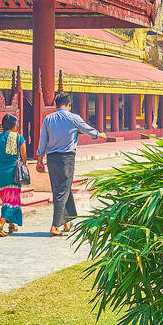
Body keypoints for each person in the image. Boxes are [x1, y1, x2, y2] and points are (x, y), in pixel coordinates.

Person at [36, 91, 101, 236]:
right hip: (66, 158)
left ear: (56, 105)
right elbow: (88, 130)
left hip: (52, 158)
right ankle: (55, 225)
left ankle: (67, 221)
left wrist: (39, 160)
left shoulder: (48, 119)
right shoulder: (73, 118)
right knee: (62, 189)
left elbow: (43, 141)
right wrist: (99, 134)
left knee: (61, 188)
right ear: (69, 105)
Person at [0, 113, 27, 237]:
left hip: (1, 173)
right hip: (13, 173)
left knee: (8, 198)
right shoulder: (19, 138)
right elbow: (24, 156)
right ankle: (0, 225)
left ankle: (11, 225)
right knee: (11, 200)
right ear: (14, 125)